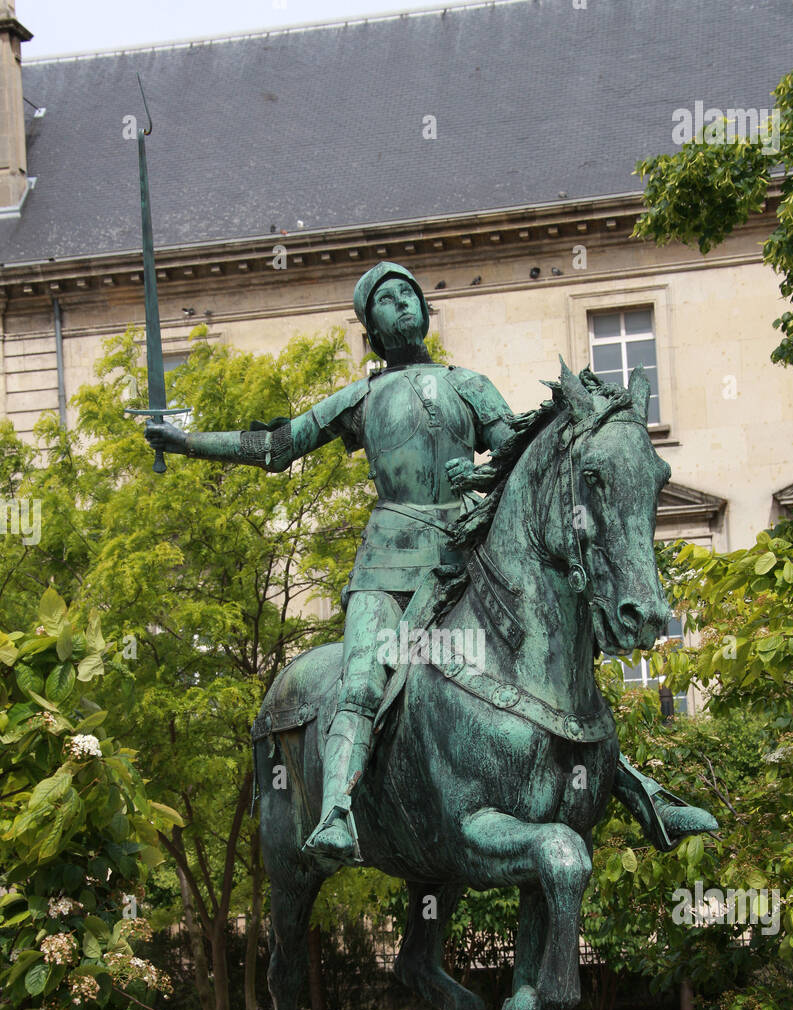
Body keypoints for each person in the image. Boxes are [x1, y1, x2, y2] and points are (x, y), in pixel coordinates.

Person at [146, 262, 717, 863]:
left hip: (464, 559)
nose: (400, 306)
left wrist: (477, 475)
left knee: (550, 664)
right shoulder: (361, 397)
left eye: (407, 295)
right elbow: (276, 447)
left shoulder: (469, 384)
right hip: (387, 567)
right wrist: (185, 441)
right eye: (385, 301)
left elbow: (512, 458)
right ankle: (337, 809)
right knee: (364, 678)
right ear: (371, 327)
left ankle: (638, 788)